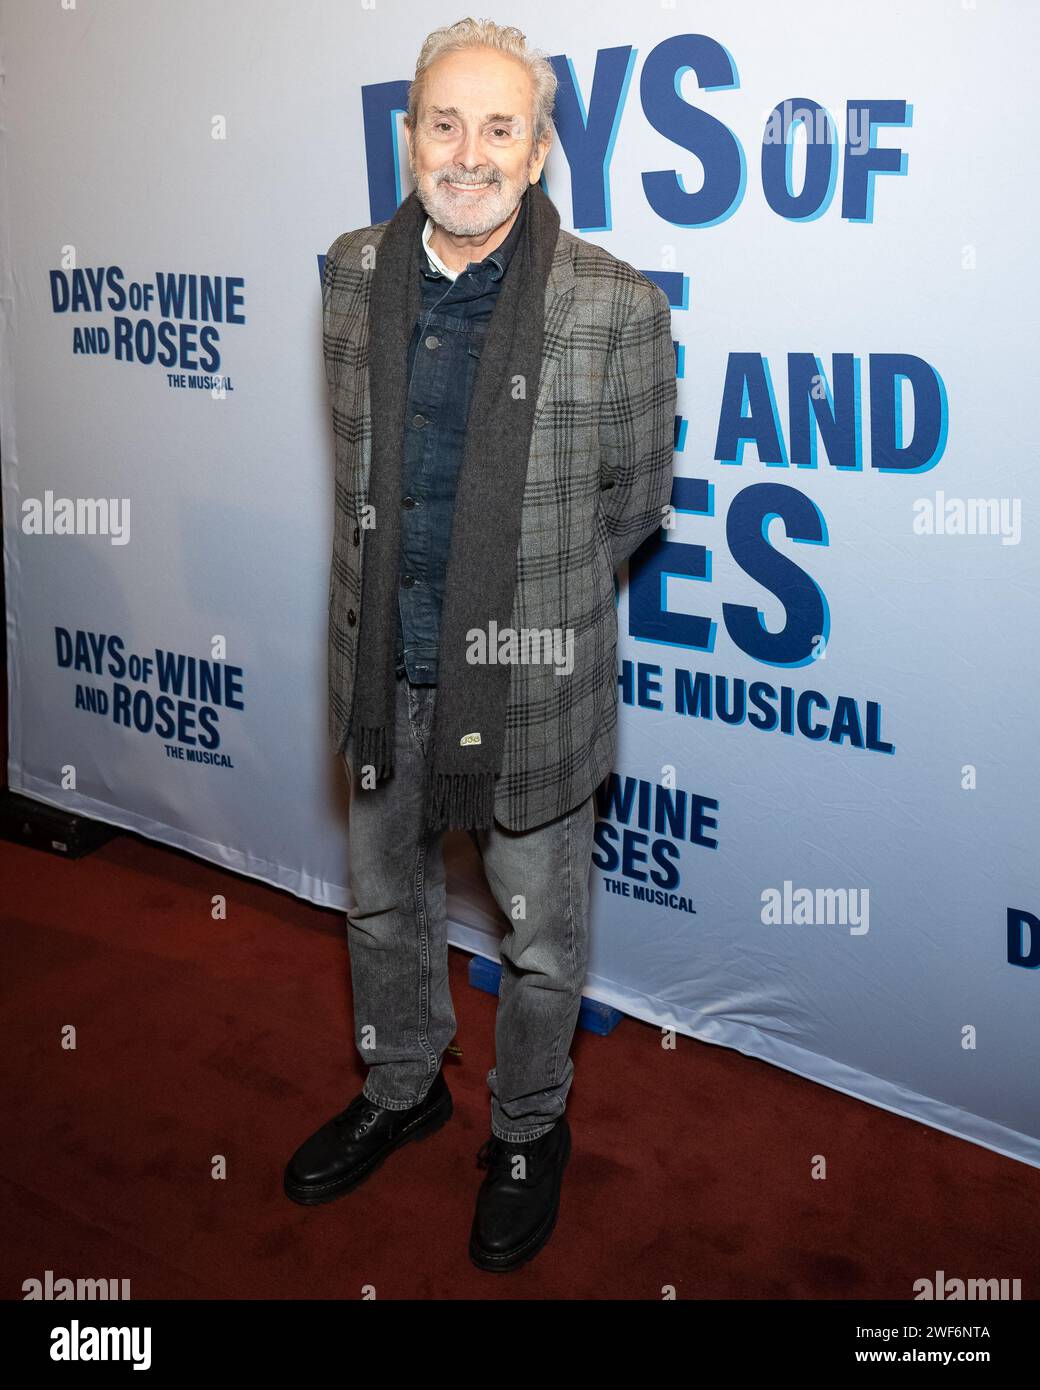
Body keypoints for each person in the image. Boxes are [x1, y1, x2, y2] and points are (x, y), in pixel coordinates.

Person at [285, 16, 676, 1273]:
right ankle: (403, 1084)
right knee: (382, 898)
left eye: (497, 127)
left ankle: (525, 1130)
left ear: (540, 149)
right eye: (442, 123)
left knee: (540, 938)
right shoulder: (350, 273)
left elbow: (632, 500)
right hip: (376, 663)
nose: (468, 152)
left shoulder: (614, 304)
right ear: (406, 139)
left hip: (528, 680)